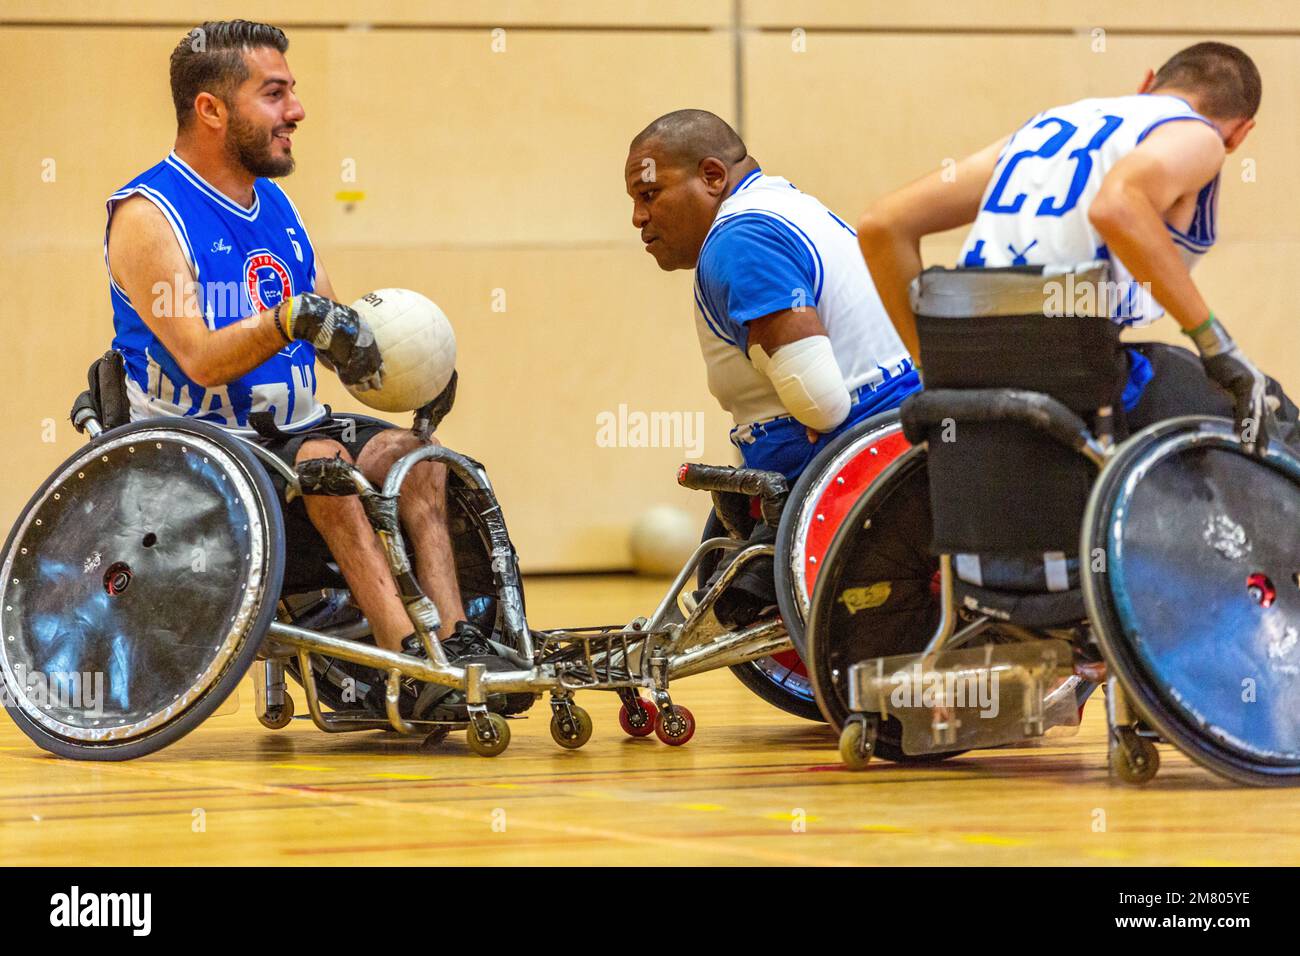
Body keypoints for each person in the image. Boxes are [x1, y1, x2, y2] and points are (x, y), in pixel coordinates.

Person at [103, 20, 516, 714]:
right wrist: (286, 319)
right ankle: (403, 662)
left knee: (415, 455)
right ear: (211, 109)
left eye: (292, 92)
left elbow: (333, 334)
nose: (297, 110)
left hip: (294, 433)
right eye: (275, 94)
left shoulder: (279, 207)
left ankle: (458, 640)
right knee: (326, 461)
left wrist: (414, 370)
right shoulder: (150, 214)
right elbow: (202, 360)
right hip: (197, 456)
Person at [858, 41, 1296, 455]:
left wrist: (932, 369)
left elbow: (882, 226)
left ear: (1145, 83)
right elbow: (1119, 206)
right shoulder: (1199, 135)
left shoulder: (1047, 126)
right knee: (1268, 414)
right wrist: (1216, 345)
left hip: (965, 358)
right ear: (1239, 134)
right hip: (1067, 357)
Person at [625, 109, 920, 624]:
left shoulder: (738, 240)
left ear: (712, 176)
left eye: (650, 195)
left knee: (729, 598)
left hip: (849, 453)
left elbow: (821, 403)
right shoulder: (791, 204)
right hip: (893, 424)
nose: (638, 217)